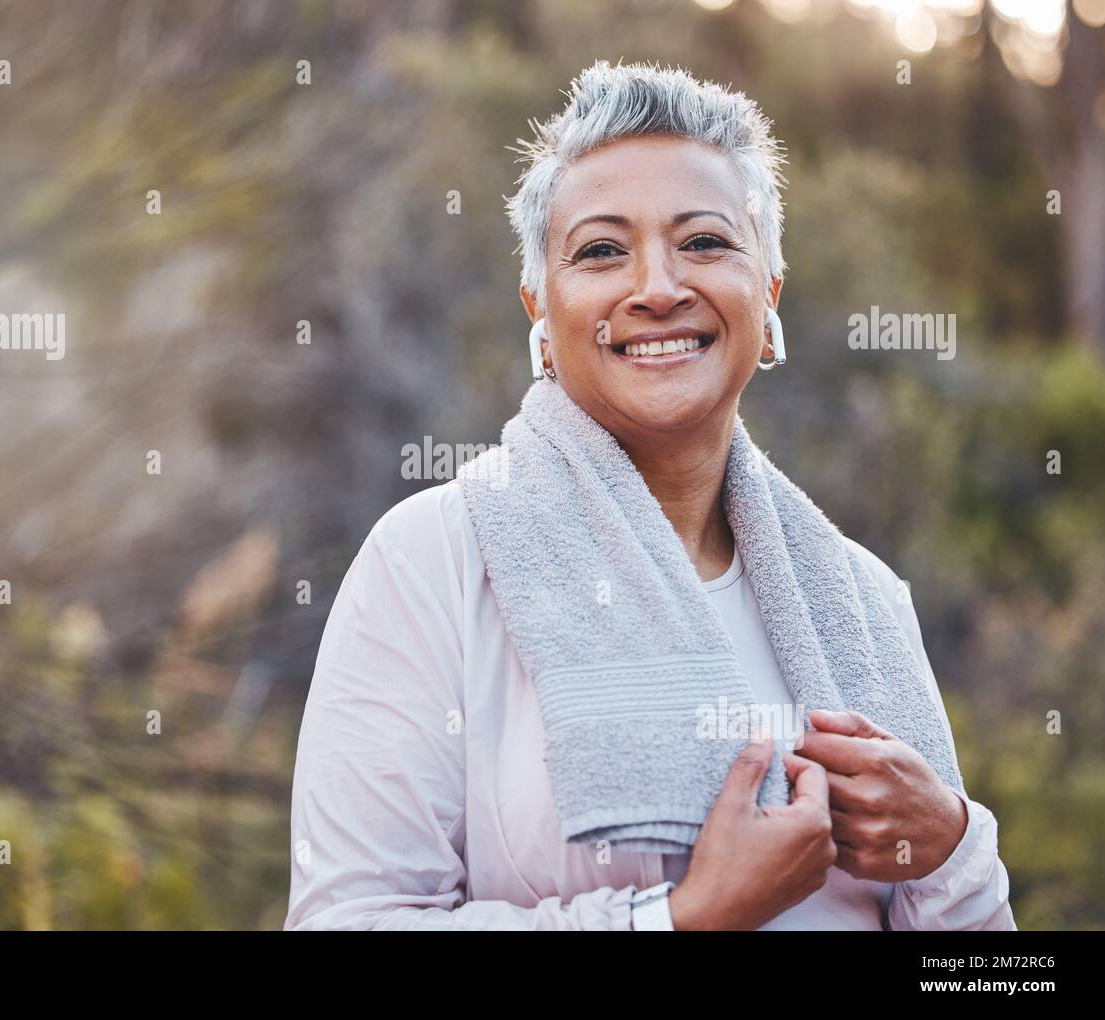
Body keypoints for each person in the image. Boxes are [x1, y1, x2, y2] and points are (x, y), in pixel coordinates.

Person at [284, 59, 1016, 931]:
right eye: (601, 251)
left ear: (768, 293)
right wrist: (678, 918)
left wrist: (954, 852)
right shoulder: (431, 563)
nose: (658, 288)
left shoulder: (864, 602)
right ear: (542, 314)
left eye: (704, 242)